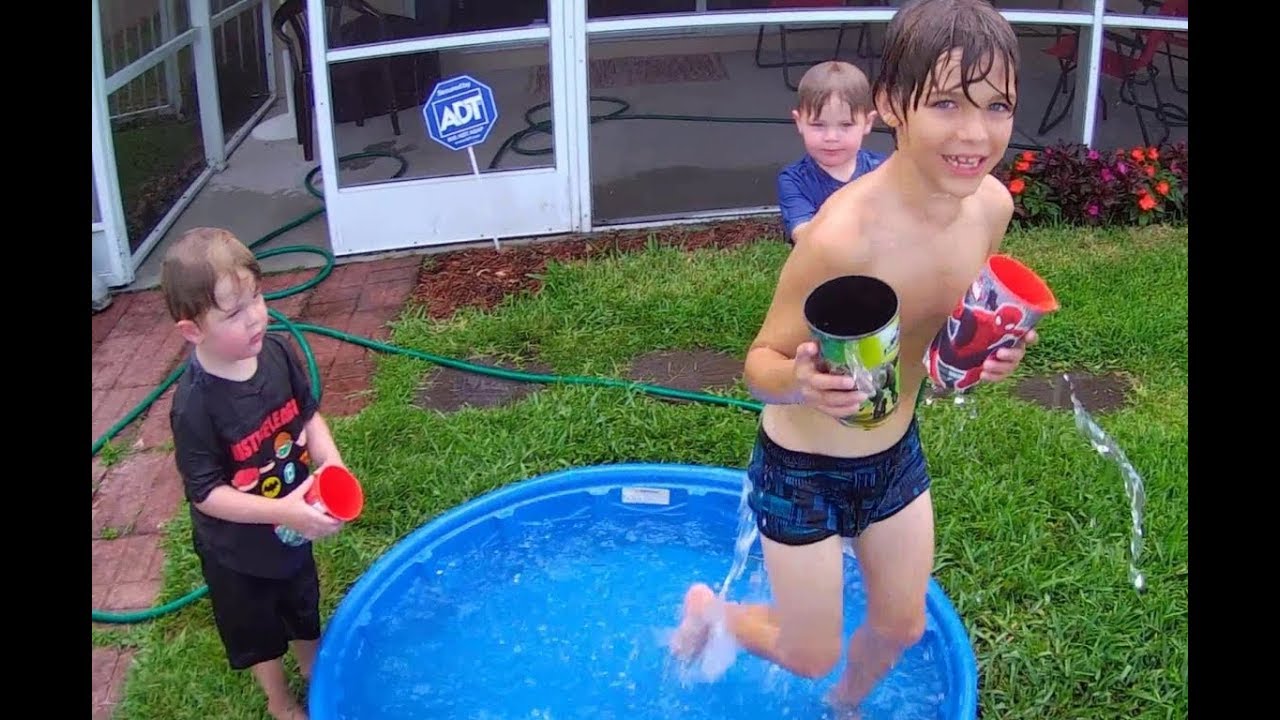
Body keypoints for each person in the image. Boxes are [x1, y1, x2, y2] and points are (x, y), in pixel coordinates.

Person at [671, 0, 1035, 712]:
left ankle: (844, 706)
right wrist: (801, 380)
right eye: (948, 103)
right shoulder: (842, 237)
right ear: (893, 105)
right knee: (809, 653)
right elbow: (759, 365)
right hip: (803, 469)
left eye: (998, 106)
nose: (975, 133)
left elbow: (945, 323)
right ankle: (716, 613)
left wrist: (990, 350)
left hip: (895, 456)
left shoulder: (991, 206)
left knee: (901, 627)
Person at [163, 227, 348, 720]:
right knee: (259, 630)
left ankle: (312, 664)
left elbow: (307, 416)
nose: (256, 317)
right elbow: (205, 493)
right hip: (237, 552)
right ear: (192, 331)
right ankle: (278, 701)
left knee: (303, 601)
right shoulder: (195, 405)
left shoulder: (277, 353)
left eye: (257, 298)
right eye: (233, 313)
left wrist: (330, 462)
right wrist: (282, 510)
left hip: (293, 525)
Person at [777, 60, 887, 247]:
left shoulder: (884, 171)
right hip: (822, 261)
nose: (831, 137)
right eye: (818, 125)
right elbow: (804, 235)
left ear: (868, 123)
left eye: (846, 125)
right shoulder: (794, 180)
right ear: (799, 122)